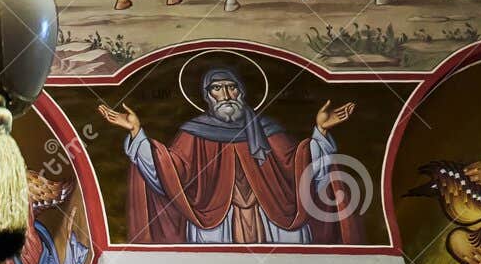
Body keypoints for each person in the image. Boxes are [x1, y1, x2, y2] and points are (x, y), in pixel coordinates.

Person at [98, 67, 360, 244]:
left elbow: (298, 166)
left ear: (241, 92)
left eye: (231, 87)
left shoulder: (267, 130)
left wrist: (320, 132)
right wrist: (136, 133)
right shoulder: (195, 132)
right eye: (217, 88)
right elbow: (169, 170)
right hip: (216, 221)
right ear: (207, 96)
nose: (225, 94)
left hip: (273, 218)